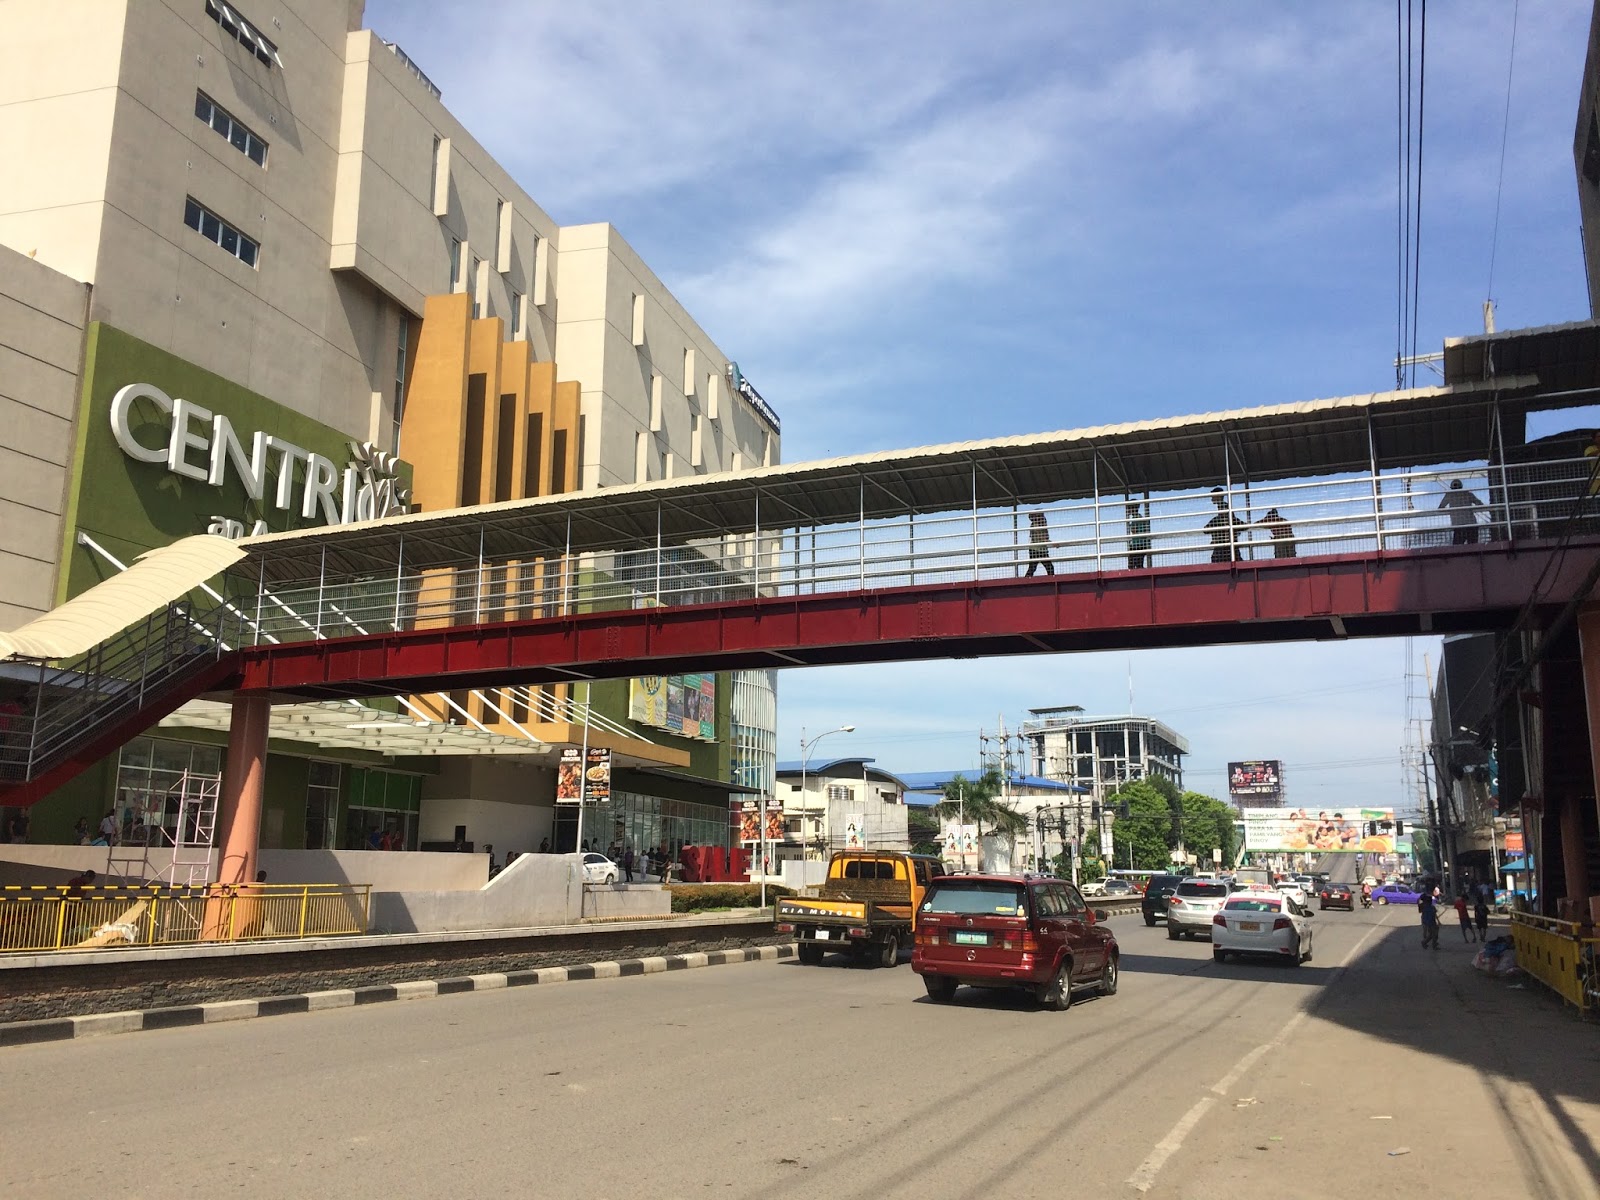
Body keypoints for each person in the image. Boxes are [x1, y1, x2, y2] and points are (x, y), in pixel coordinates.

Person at [1438, 479, 1484, 545]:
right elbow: (1480, 504)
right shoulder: (1467, 493)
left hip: (1458, 525)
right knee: (1473, 547)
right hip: (1471, 524)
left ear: (1451, 487)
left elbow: (1440, 508)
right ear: (1461, 486)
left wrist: (1452, 511)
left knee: (1457, 548)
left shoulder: (1449, 495)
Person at [1204, 487, 1244, 563]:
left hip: (1224, 545)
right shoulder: (1223, 506)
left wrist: (1211, 526)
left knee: (1218, 560)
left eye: (1213, 495)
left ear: (1218, 496)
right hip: (1227, 544)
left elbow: (1225, 519)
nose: (1211, 497)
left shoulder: (1223, 507)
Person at [1022, 511, 1055, 577]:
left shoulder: (1037, 524)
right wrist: (1053, 543)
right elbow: (1042, 538)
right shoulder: (1036, 525)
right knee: (1049, 568)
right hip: (1037, 550)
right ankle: (1051, 581)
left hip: (1038, 549)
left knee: (1033, 568)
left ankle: (1026, 580)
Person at [1126, 501, 1151, 569]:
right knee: (1139, 564)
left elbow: (1134, 530)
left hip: (1136, 545)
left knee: (1131, 565)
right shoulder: (1141, 517)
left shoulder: (1135, 518)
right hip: (1143, 544)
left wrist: (1130, 525)